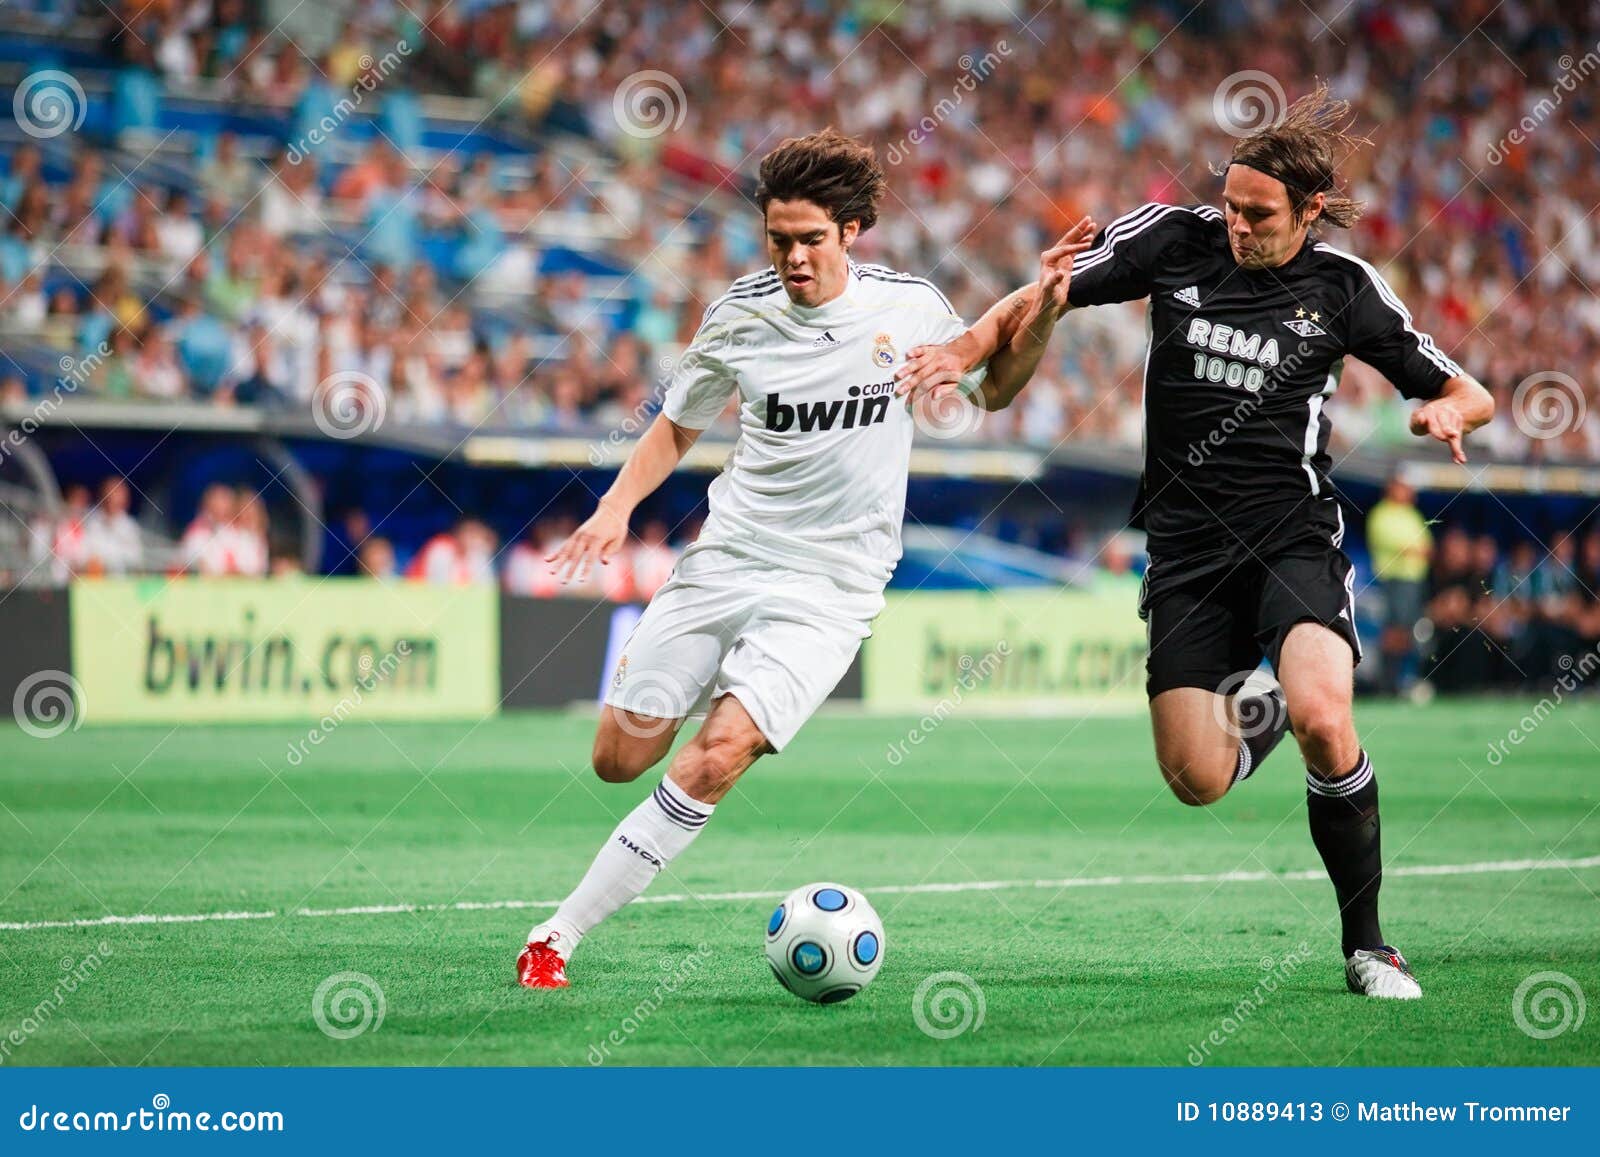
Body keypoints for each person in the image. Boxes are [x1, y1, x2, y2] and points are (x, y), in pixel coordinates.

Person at [898, 87, 1494, 999]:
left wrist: (1445, 408)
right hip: (1184, 551)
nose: (1239, 225)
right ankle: (1284, 699)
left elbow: (1469, 389)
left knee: (1331, 719)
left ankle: (1369, 945)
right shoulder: (1175, 239)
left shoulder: (1343, 289)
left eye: (1259, 215)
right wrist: (970, 346)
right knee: (1197, 776)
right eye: (1231, 205)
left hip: (1291, 535)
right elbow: (1048, 288)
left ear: (1309, 212)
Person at [515, 129, 1091, 988]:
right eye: (778, 239)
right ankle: (712, 680)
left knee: (716, 756)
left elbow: (994, 386)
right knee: (617, 759)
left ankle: (555, 935)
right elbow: (678, 423)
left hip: (832, 588)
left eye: (810, 239)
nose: (792, 256)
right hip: (729, 560)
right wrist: (613, 507)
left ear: (852, 231)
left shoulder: (909, 308)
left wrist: (1042, 308)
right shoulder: (739, 315)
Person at [1365, 474, 1432, 694]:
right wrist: (1418, 550)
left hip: (1414, 580)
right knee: (1394, 633)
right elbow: (1409, 547)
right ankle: (1386, 683)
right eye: (1404, 487)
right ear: (1392, 488)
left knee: (1407, 631)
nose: (1409, 491)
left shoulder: (1412, 514)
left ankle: (1401, 681)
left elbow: (1426, 546)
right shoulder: (1381, 514)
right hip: (1394, 579)